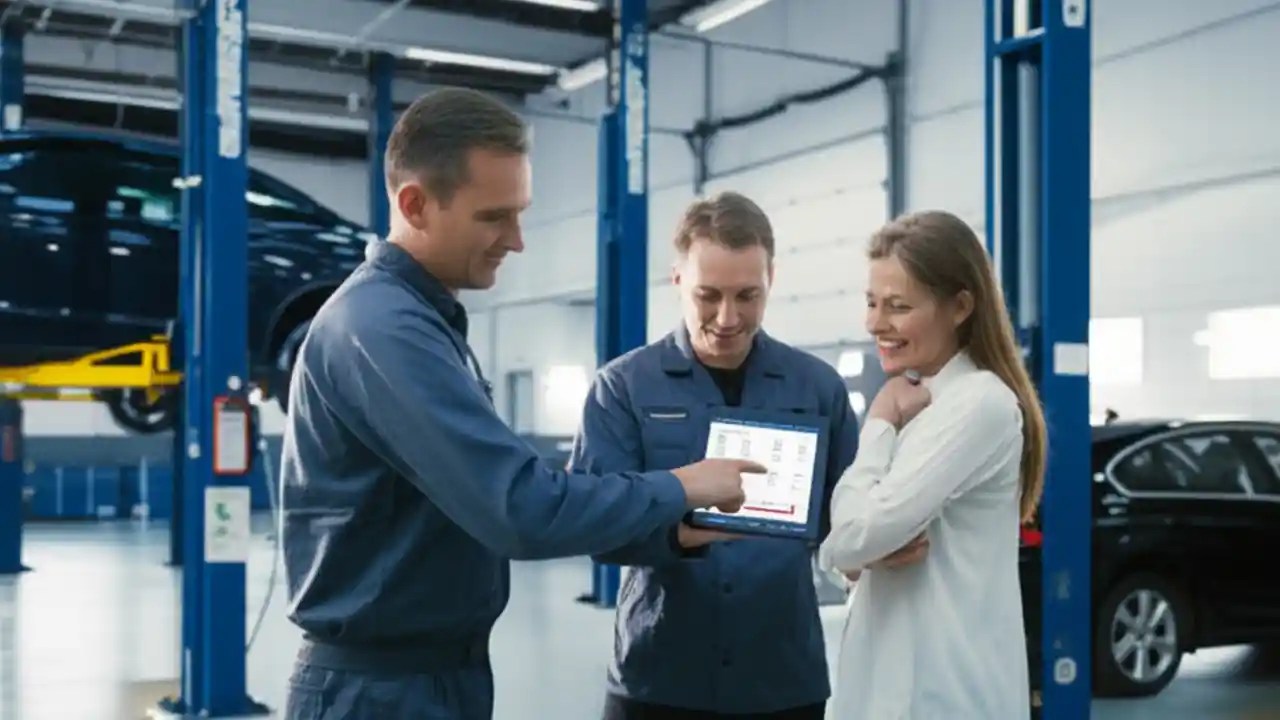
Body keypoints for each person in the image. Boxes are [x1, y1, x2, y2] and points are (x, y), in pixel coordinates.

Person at [278, 88, 762, 720]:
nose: (516, 240)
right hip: (381, 694)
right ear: (415, 204)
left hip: (429, 678)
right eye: (494, 217)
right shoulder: (384, 329)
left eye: (520, 214)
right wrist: (683, 485)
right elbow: (520, 509)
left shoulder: (418, 322)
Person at [567, 191, 864, 719]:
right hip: (659, 678)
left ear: (772, 278)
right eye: (708, 295)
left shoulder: (818, 388)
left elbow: (848, 519)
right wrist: (680, 530)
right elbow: (593, 526)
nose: (728, 317)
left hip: (781, 680)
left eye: (748, 295)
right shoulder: (623, 387)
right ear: (677, 279)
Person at [817, 209, 1047, 719]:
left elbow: (851, 536)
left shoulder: (976, 404)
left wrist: (878, 423)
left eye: (898, 306)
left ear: (960, 306)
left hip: (941, 696)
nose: (876, 323)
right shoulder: (923, 400)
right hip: (895, 690)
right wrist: (852, 554)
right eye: (872, 302)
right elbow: (854, 554)